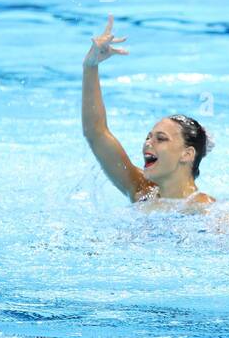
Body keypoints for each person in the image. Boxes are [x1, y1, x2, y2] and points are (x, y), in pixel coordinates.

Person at [81, 16, 214, 211]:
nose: (147, 143)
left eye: (161, 139)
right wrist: (90, 66)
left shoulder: (204, 208)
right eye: (148, 137)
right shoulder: (141, 192)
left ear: (187, 154)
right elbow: (95, 132)